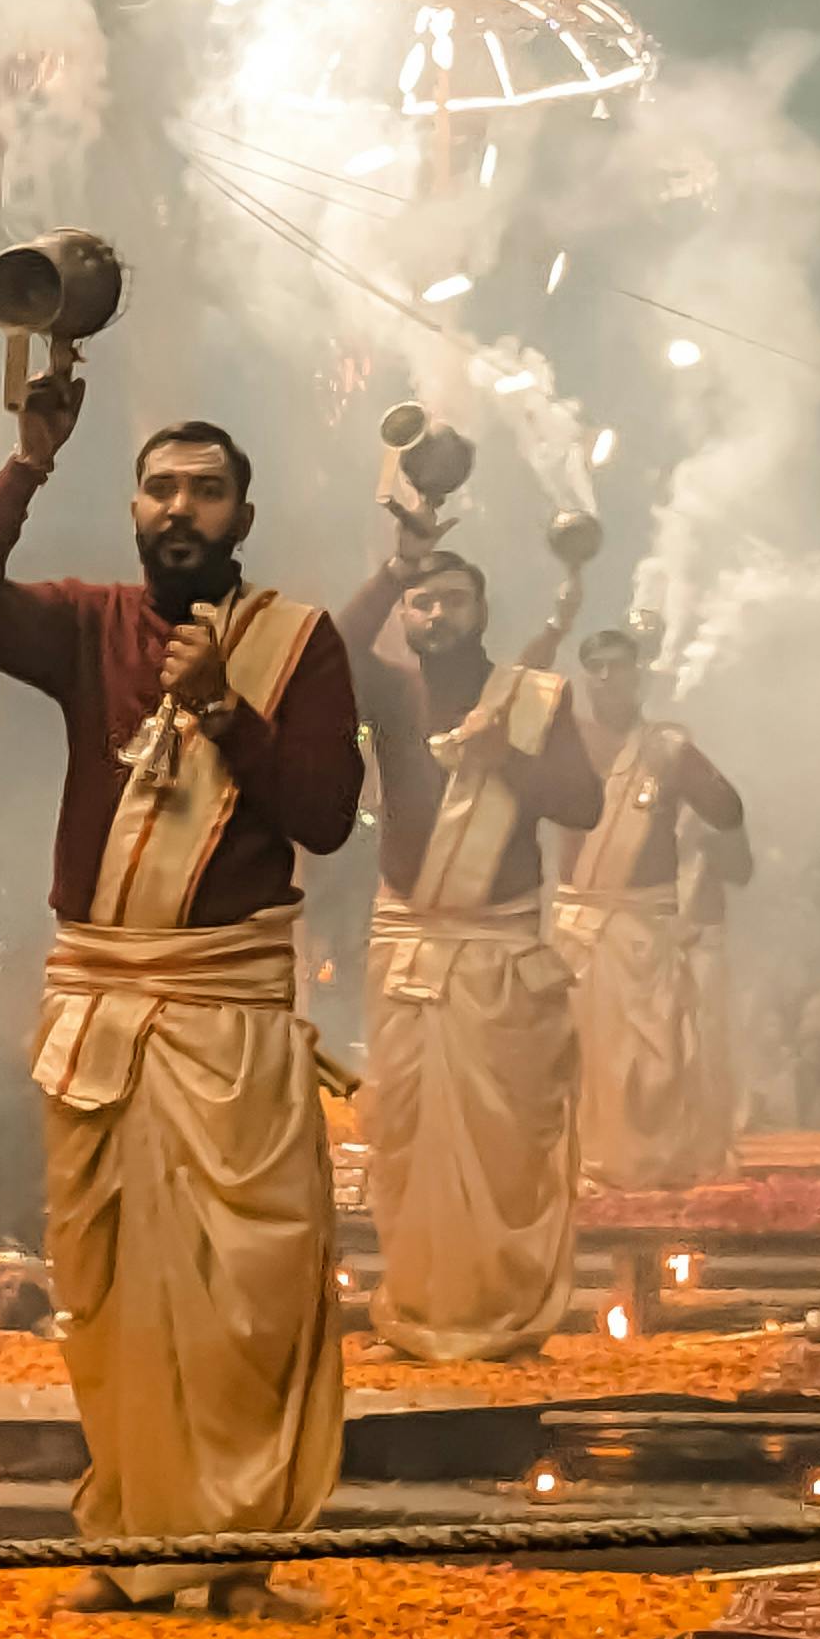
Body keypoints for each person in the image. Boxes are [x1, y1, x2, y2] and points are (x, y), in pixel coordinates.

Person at [0, 399, 363, 1611]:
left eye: (205, 490)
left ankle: (236, 1550)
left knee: (249, 1297)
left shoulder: (301, 643)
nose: (180, 508)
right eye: (160, 487)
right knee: (106, 1293)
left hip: (229, 1019)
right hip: (102, 1011)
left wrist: (224, 707)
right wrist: (27, 460)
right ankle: (130, 1535)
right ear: (131, 508)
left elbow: (324, 813)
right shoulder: (85, 625)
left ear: (242, 516)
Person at [339, 459, 602, 1363]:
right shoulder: (389, 692)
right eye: (423, 604)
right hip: (407, 947)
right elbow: (324, 654)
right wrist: (394, 570)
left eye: (452, 600)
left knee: (502, 1146)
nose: (436, 615)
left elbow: (584, 805)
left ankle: (498, 1308)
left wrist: (504, 758)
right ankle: (419, 1301)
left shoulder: (532, 700)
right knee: (406, 1141)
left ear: (482, 613)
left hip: (497, 957)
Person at [539, 626, 749, 1191]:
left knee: (651, 1063)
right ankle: (581, 1170)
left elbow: (728, 812)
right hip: (578, 930)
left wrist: (683, 761)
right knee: (578, 1058)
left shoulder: (665, 747)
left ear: (639, 675)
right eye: (596, 666)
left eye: (619, 665)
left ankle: (652, 1174)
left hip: (643, 931)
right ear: (585, 677)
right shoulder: (563, 740)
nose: (608, 676)